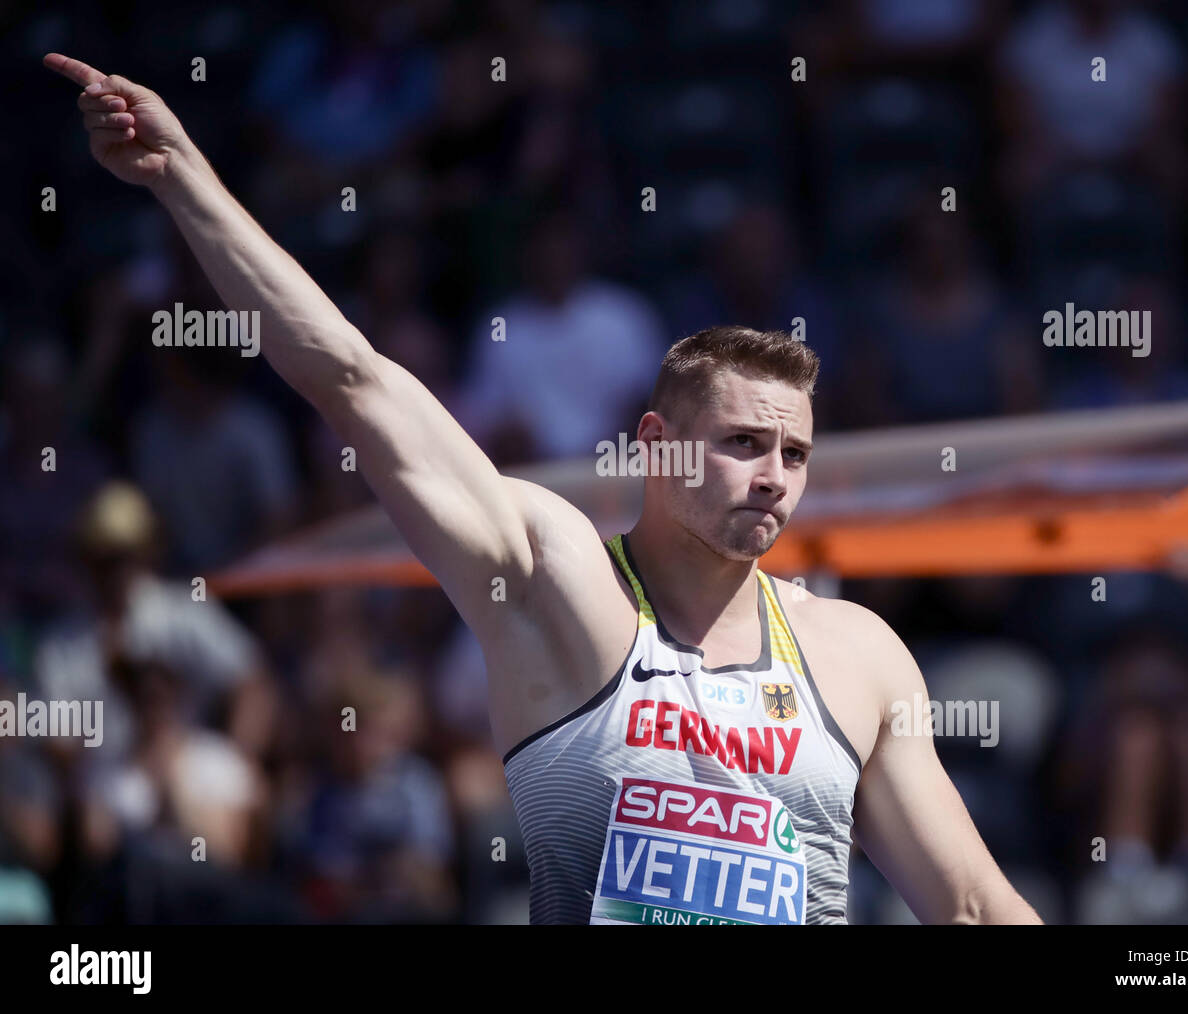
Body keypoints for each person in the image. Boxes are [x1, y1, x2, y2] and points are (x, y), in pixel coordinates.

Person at [44, 53, 1041, 925]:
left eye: (795, 454)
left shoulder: (857, 653)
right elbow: (353, 379)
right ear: (655, 446)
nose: (774, 477)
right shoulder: (558, 586)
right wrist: (184, 182)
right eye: (742, 443)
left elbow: (967, 904)